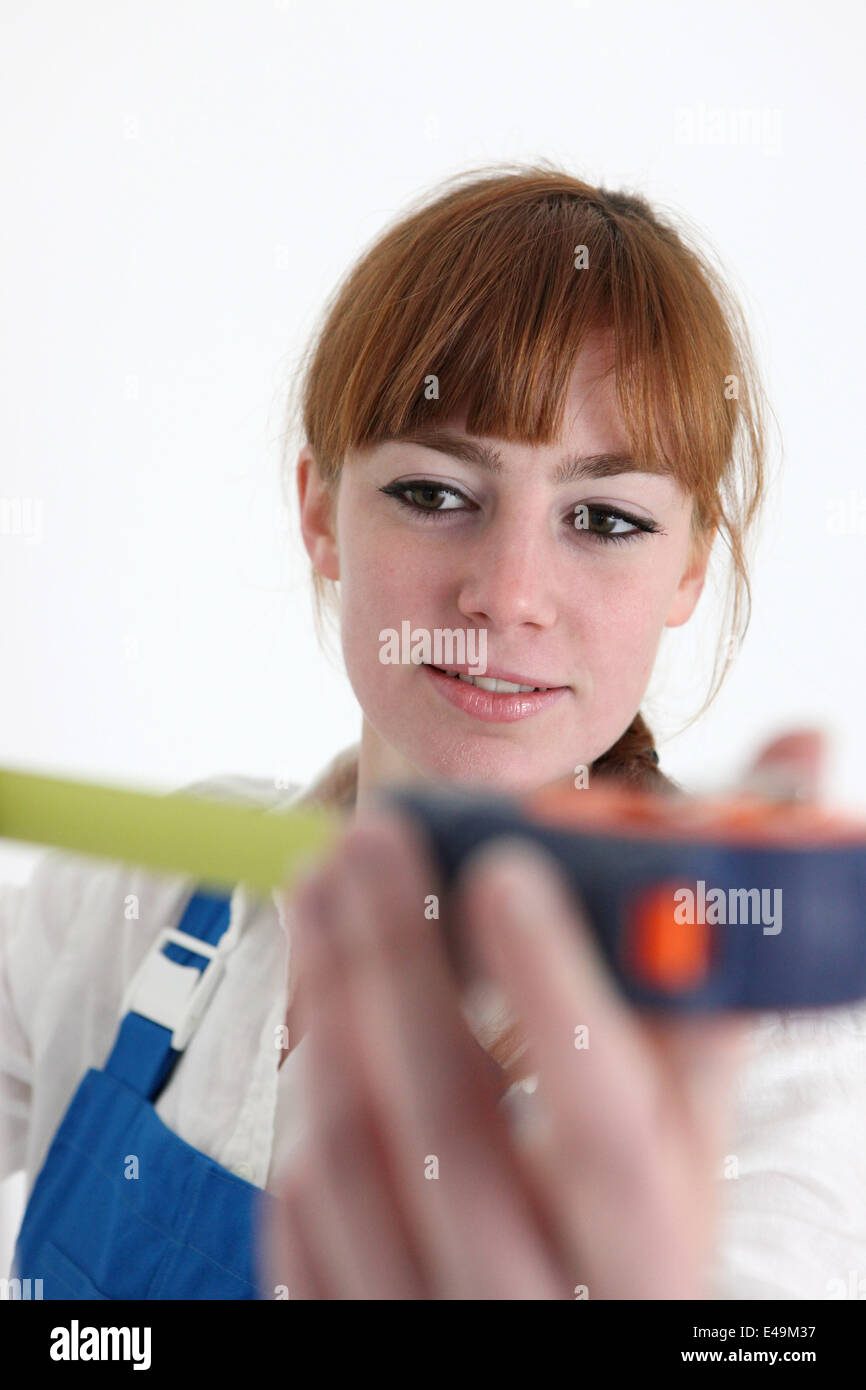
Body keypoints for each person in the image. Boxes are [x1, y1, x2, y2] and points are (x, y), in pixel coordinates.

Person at [2, 164, 864, 1300]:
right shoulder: (155, 887)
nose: (507, 595)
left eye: (602, 519)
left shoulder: (773, 1070)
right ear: (320, 512)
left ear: (686, 568)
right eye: (434, 492)